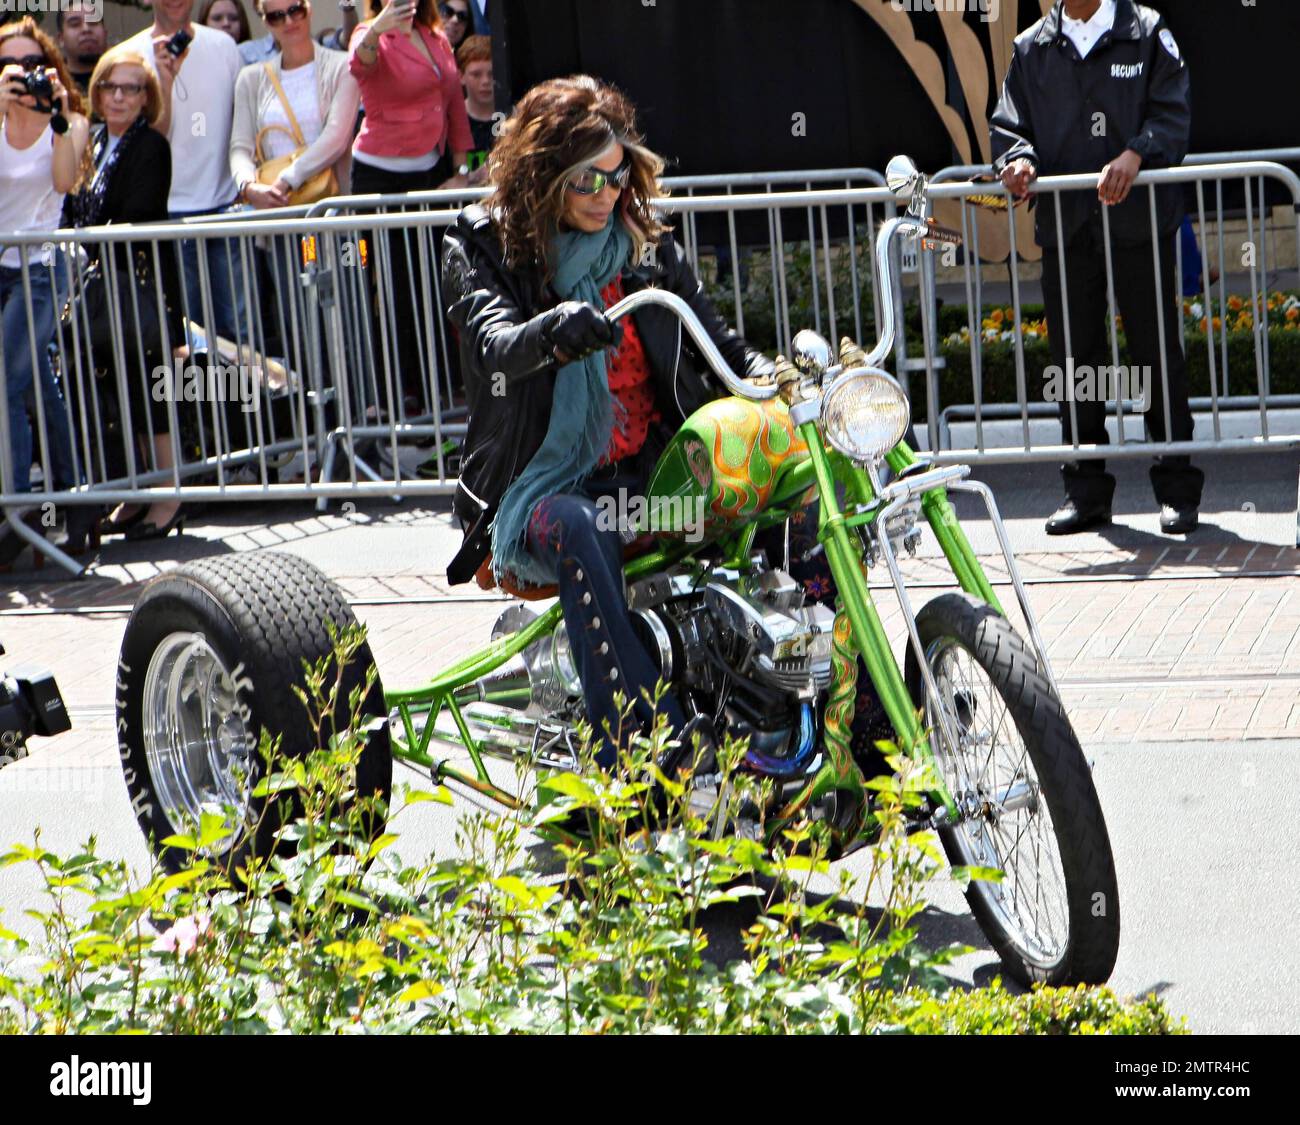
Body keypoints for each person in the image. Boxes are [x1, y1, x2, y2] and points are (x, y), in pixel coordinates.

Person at [440, 76, 784, 769]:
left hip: (651, 473)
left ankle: (823, 702)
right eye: (586, 180)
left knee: (794, 477)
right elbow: (494, 345)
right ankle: (642, 744)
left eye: (617, 173)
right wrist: (553, 331)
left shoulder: (644, 246)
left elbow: (723, 350)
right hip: (543, 489)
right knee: (580, 523)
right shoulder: (485, 247)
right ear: (544, 181)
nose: (607, 194)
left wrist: (785, 382)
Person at [992, 0, 1203, 535]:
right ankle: (1085, 493)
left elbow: (1172, 117)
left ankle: (1177, 490)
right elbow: (1010, 128)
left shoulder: (1148, 31)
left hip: (1140, 225)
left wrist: (1138, 153)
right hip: (1068, 229)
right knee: (1075, 359)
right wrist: (1018, 162)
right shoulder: (1031, 46)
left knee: (1155, 351)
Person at [65, 47, 186, 544]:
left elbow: (134, 212)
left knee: (150, 386)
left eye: (131, 89)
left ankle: (169, 494)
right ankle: (137, 491)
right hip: (99, 289)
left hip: (141, 283)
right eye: (111, 87)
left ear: (146, 98)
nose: (119, 97)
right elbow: (72, 204)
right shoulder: (93, 141)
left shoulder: (149, 146)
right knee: (118, 391)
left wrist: (84, 232)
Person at [350, 0, 473, 405]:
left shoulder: (435, 37)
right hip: (379, 176)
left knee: (434, 277)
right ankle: (401, 392)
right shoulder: (369, 35)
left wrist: (462, 164)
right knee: (391, 284)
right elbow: (360, 65)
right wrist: (378, 27)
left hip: (430, 173)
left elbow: (454, 101)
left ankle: (442, 384)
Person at [0, 18, 90, 566]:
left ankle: (13, 508)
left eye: (35, 65)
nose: (25, 76)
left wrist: (55, 117)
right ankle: (73, 497)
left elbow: (61, 181)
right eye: (11, 67)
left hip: (40, 267)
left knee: (7, 376)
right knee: (37, 382)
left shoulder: (72, 120)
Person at [120, 0, 249, 346]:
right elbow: (149, 141)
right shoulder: (130, 56)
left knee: (240, 333)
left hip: (226, 210)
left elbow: (245, 121)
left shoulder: (223, 47)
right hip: (168, 218)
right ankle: (199, 403)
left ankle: (249, 402)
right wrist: (163, 78)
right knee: (188, 339)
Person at [231, 0, 360, 208]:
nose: (288, 21)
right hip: (276, 211)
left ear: (308, 10)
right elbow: (240, 147)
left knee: (334, 243)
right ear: (266, 23)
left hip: (331, 211)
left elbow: (337, 137)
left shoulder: (343, 67)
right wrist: (248, 186)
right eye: (276, 16)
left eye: (295, 10)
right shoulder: (250, 79)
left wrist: (287, 180)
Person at [455, 34, 496, 188]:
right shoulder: (452, 120)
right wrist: (467, 176)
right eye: (476, 74)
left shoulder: (510, 116)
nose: (485, 81)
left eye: (491, 74)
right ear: (461, 77)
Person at [55, 1, 108, 95]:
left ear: (105, 33)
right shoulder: (54, 84)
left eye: (93, 22)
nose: (86, 29)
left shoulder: (125, 76)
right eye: (75, 24)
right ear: (61, 39)